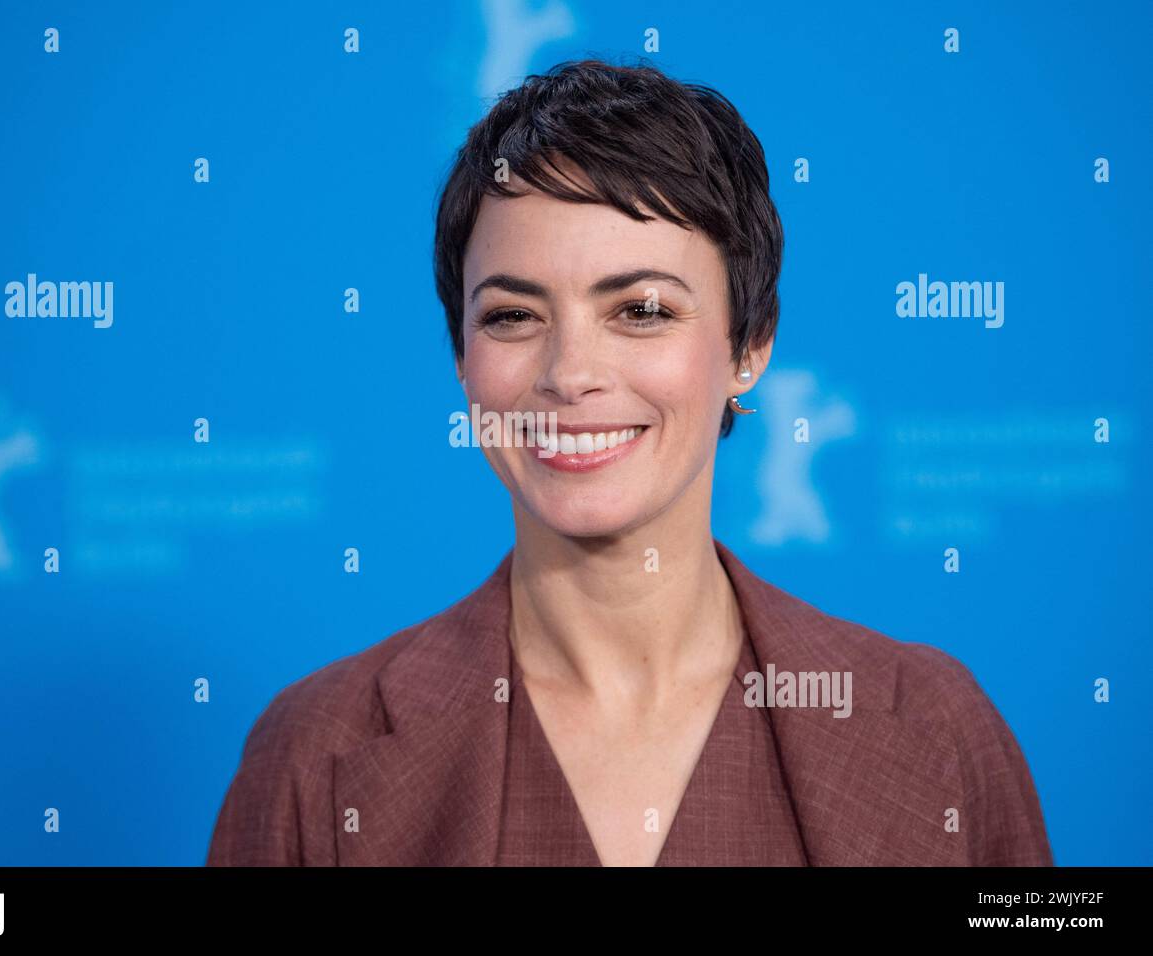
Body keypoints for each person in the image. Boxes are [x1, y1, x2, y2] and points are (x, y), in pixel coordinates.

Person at [207, 58, 1051, 867]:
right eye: (510, 316)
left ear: (749, 344)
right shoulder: (313, 755)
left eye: (640, 310)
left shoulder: (939, 730)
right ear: (460, 355)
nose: (571, 374)